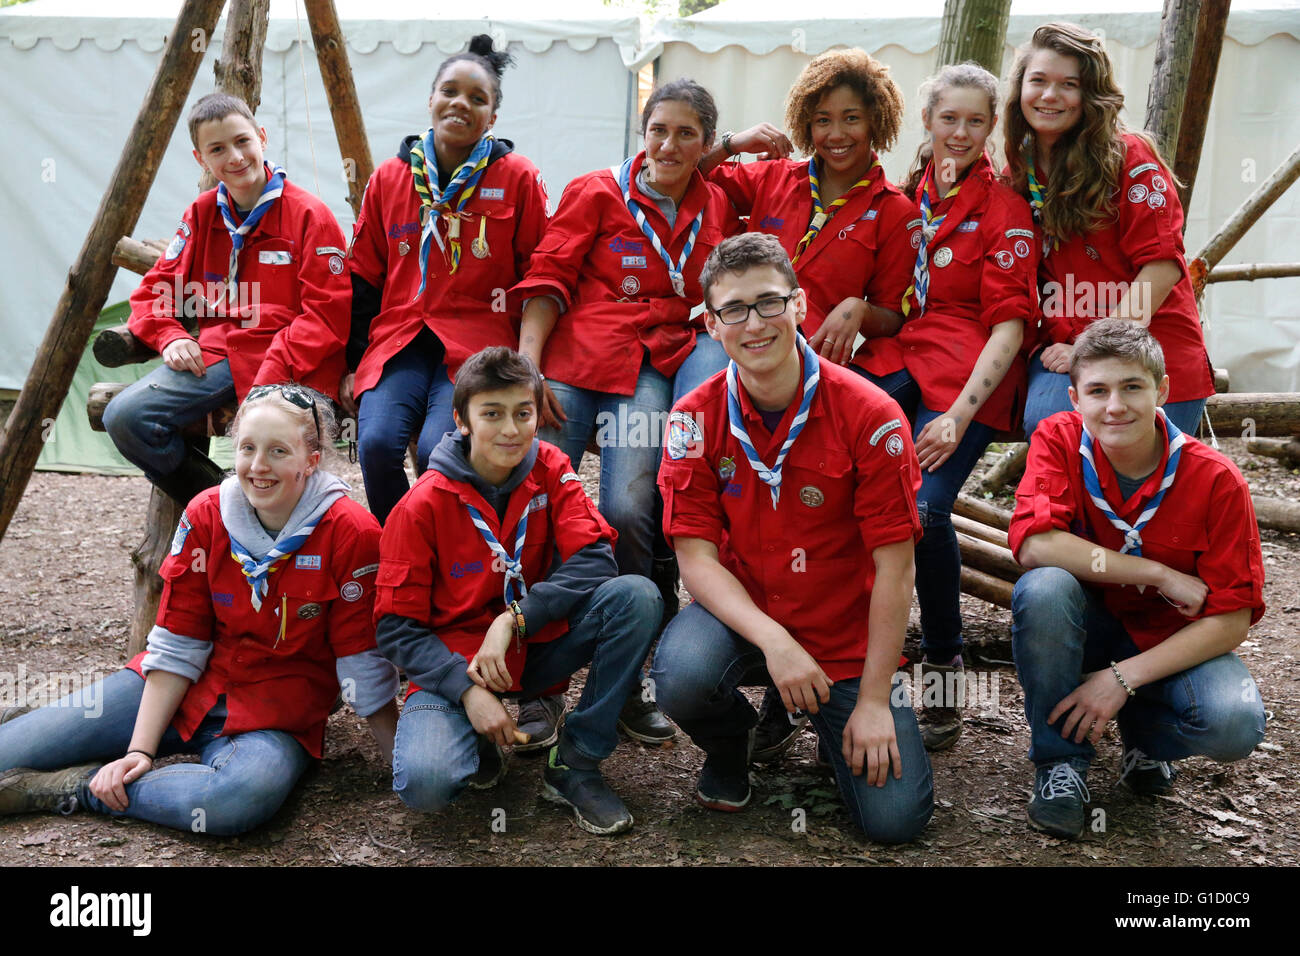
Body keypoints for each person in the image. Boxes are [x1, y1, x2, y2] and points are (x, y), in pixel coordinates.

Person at [0, 386, 399, 835]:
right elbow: (178, 641)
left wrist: (400, 765)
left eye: (278, 451)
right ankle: (44, 724)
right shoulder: (207, 513)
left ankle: (73, 788)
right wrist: (140, 751)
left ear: (311, 459)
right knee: (5, 755)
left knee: (237, 800)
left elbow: (360, 659)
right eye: (247, 448)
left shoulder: (351, 531)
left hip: (274, 717)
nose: (258, 466)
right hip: (179, 689)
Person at [649, 233, 934, 844]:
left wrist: (876, 700)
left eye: (769, 303)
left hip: (845, 637)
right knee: (681, 675)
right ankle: (734, 743)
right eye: (733, 310)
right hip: (747, 620)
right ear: (711, 324)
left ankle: (836, 720)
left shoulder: (872, 414)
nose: (754, 324)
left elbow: (896, 569)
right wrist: (775, 642)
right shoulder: (693, 419)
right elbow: (695, 558)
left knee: (895, 823)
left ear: (800, 305)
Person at [511, 78, 739, 743]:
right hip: (572, 360)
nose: (668, 145)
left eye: (685, 133)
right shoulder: (597, 190)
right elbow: (548, 276)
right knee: (534, 508)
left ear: (705, 143)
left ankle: (630, 665)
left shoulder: (717, 203)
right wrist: (528, 366)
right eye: (657, 130)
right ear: (642, 134)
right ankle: (533, 680)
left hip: (645, 368)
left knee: (630, 511)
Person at [373, 347, 660, 835]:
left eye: (523, 413)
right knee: (425, 784)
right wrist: (466, 692)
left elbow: (594, 557)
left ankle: (576, 762)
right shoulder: (420, 506)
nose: (511, 430)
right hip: (457, 662)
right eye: (492, 414)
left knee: (637, 597)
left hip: (537, 644)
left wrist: (515, 619)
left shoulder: (550, 465)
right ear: (462, 420)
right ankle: (476, 735)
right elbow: (397, 629)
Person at [1008, 319, 1266, 841]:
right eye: (1097, 391)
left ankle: (1144, 736)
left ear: (1163, 390)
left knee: (1234, 723)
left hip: (1167, 639)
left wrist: (1120, 679)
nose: (1115, 407)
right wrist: (1158, 573)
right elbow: (1036, 545)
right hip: (1086, 628)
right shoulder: (1059, 438)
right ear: (1074, 397)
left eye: (1132, 387)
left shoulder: (1215, 478)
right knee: (1044, 588)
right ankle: (1061, 763)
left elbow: (1233, 616)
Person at [850, 63, 1036, 752]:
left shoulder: (1005, 206)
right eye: (948, 118)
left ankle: (944, 662)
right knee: (843, 475)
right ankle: (845, 653)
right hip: (900, 360)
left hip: (968, 378)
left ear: (992, 128)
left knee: (923, 510)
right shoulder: (908, 196)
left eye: (976, 121)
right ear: (926, 122)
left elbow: (1010, 328)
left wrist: (958, 413)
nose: (960, 132)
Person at [104, 93, 351, 507]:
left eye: (242, 141)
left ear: (262, 138)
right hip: (218, 356)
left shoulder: (310, 215)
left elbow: (327, 316)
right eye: (218, 149)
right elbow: (153, 290)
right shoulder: (201, 214)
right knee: (126, 417)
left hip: (293, 363)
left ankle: (286, 530)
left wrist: (265, 382)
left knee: (280, 459)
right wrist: (168, 336)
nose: (235, 157)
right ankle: (223, 508)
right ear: (201, 158)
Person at [347, 35, 549, 527]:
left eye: (478, 99)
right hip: (400, 340)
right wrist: (349, 363)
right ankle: (401, 548)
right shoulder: (390, 178)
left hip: (479, 346)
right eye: (450, 92)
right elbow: (363, 278)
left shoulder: (518, 177)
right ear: (431, 99)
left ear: (492, 118)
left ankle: (447, 552)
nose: (461, 104)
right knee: (375, 445)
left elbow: (542, 274)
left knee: (445, 447)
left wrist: (533, 365)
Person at [1005, 22, 1214, 441]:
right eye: (1039, 81)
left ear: (1090, 95)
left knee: (1147, 485)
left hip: (1152, 345)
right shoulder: (1016, 169)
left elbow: (1161, 269)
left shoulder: (1129, 159)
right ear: (1020, 89)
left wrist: (1092, 347)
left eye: (1069, 84)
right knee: (1050, 426)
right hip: (1066, 346)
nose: (1050, 95)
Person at [701, 47, 914, 366]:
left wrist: (859, 308)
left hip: (809, 359)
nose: (837, 134)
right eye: (823, 120)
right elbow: (686, 178)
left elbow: (892, 316)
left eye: (851, 118)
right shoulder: (773, 176)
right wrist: (731, 144)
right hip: (734, 340)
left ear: (875, 120)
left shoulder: (895, 210)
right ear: (807, 124)